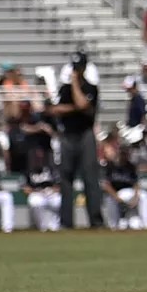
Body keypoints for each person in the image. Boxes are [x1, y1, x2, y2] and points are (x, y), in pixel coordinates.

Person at [52, 54, 108, 230]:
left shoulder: (91, 88)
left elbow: (83, 105)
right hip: (68, 134)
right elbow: (56, 109)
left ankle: (96, 220)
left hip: (85, 134)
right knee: (66, 178)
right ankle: (66, 221)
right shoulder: (64, 89)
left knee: (90, 178)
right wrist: (74, 107)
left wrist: (75, 85)